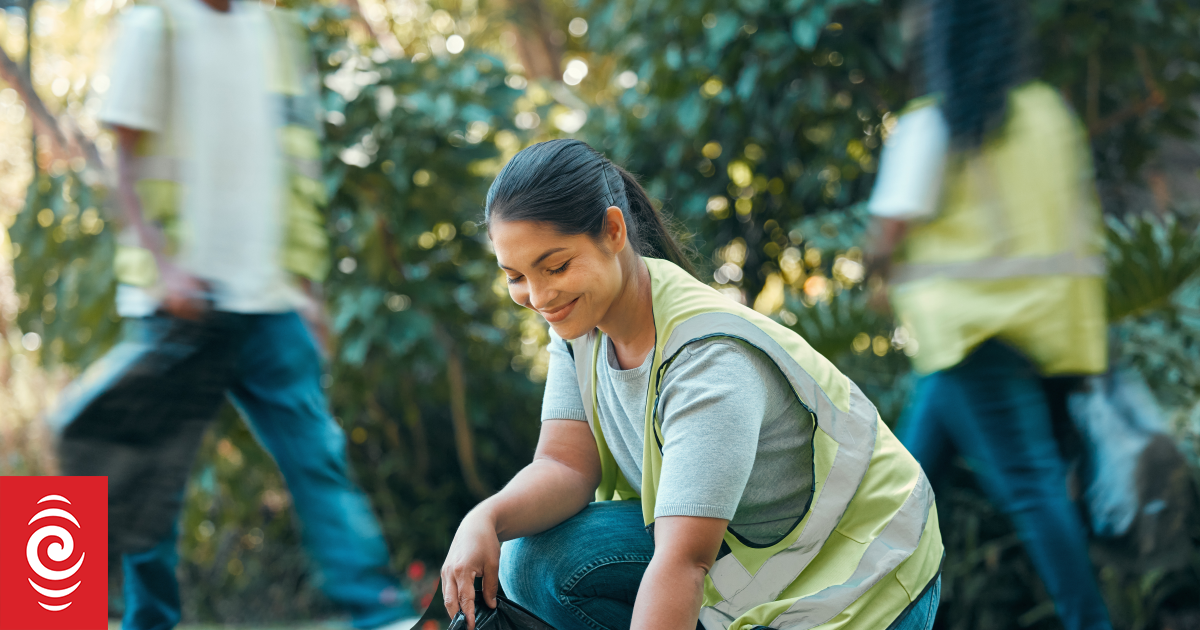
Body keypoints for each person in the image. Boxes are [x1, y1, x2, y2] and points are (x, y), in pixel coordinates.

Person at [439, 139, 944, 630]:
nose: (538, 295)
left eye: (556, 266)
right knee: (531, 558)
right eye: (515, 275)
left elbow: (683, 563)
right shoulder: (579, 325)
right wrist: (486, 519)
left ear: (613, 232)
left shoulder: (708, 362)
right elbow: (565, 464)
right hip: (739, 558)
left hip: (862, 577)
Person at [48, 2, 417, 629]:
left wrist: (309, 291)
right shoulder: (154, 26)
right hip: (181, 308)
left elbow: (298, 168)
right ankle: (109, 617)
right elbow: (125, 162)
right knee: (146, 489)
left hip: (271, 305)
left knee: (319, 463)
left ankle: (384, 618)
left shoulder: (274, 31)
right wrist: (166, 268)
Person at [864, 0, 1111, 628]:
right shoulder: (1047, 116)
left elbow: (888, 232)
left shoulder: (933, 127)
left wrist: (878, 273)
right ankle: (862, 614)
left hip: (969, 337)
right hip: (1042, 335)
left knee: (1028, 490)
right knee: (906, 491)